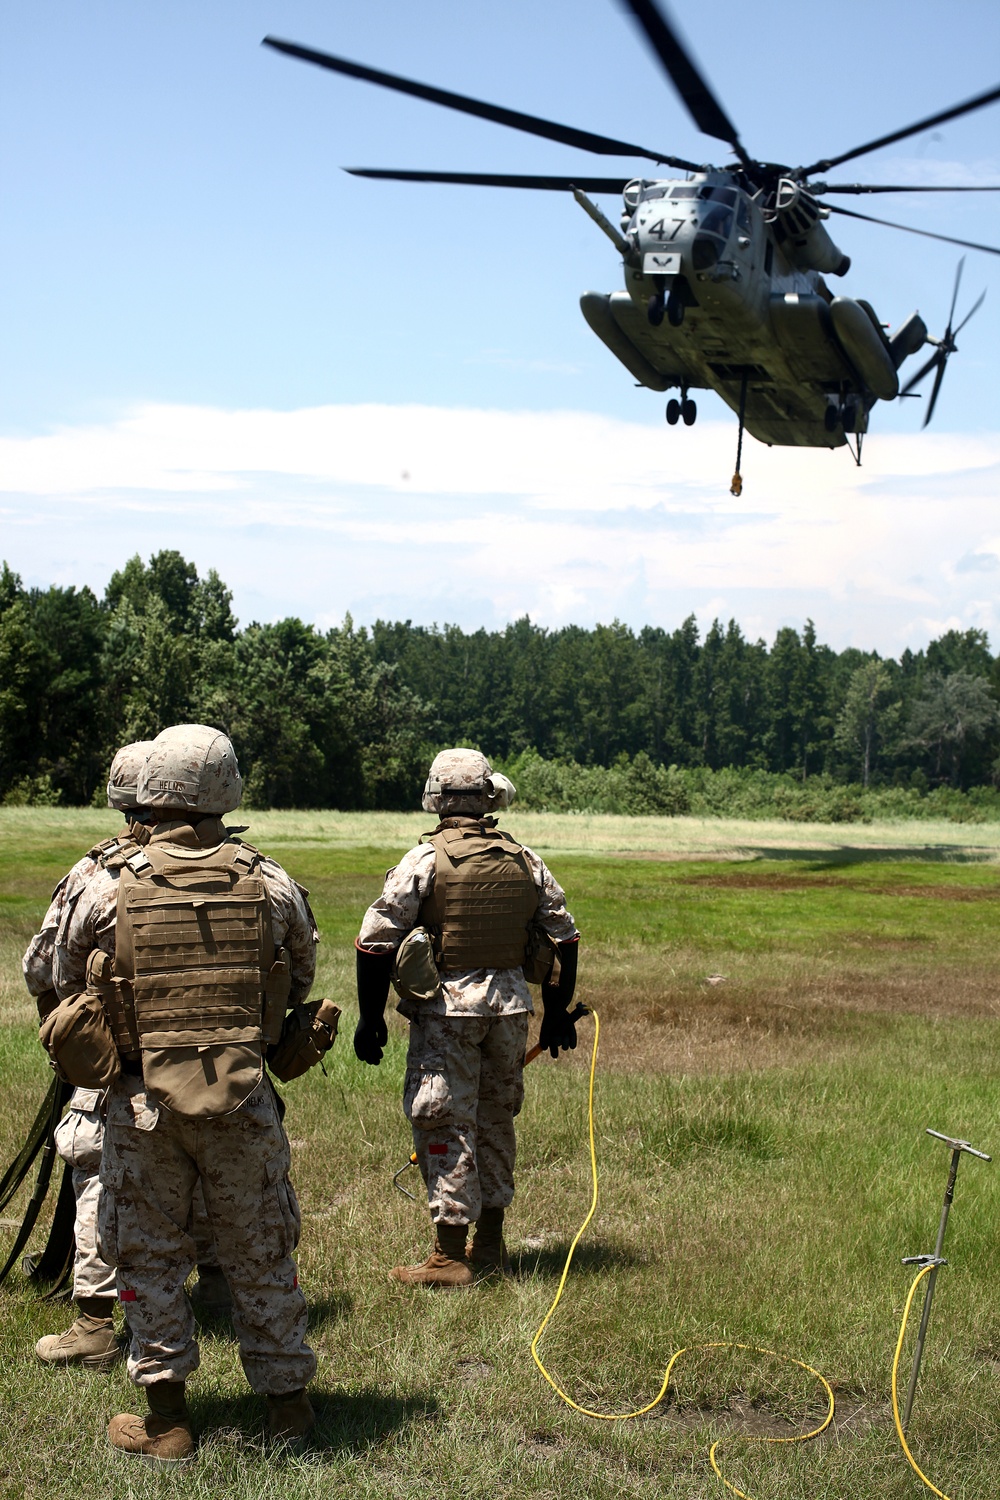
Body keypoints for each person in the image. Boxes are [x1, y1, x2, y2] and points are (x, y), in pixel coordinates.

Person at [51, 724, 319, 1462]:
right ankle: (288, 1411)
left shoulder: (106, 883)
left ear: (150, 792)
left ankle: (166, 1423)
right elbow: (299, 975)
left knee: (148, 1257)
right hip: (243, 1096)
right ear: (227, 791)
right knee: (260, 1249)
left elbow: (60, 980)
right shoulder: (269, 880)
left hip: (141, 1104)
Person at [24, 743, 230, 1374]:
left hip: (123, 1070)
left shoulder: (97, 878)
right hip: (222, 1067)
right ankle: (217, 1287)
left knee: (97, 1171)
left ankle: (96, 1319)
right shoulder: (239, 868)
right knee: (222, 1164)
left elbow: (47, 974)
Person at [354, 747, 580, 1287]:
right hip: (510, 1009)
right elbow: (565, 938)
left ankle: (450, 1254)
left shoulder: (425, 861)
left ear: (434, 798)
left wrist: (371, 1018)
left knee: (442, 1118)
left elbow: (374, 943)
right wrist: (557, 1014)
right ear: (488, 796)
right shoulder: (523, 858)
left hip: (446, 1010)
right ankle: (493, 1245)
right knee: (495, 1117)